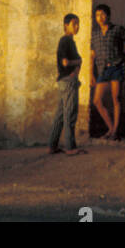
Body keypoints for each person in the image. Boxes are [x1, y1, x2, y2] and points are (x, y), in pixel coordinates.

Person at [90, 3, 125, 141]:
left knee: (116, 98)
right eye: (97, 15)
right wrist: (91, 74)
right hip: (102, 70)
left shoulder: (117, 29)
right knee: (97, 100)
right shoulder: (95, 34)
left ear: (108, 16)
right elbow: (92, 55)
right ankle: (110, 128)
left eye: (103, 14)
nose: (100, 17)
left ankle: (115, 131)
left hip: (116, 67)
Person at [49, 13, 84, 155]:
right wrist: (79, 62)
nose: (77, 27)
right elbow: (65, 62)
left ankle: (52, 146)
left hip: (64, 81)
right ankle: (70, 147)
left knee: (61, 114)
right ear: (66, 25)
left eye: (78, 23)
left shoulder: (68, 41)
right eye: (74, 23)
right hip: (68, 81)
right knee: (70, 113)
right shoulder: (66, 41)